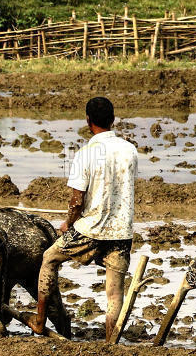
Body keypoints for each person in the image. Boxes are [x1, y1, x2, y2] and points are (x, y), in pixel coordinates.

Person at [31, 96, 139, 341]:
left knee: (48, 259)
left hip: (90, 229)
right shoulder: (129, 150)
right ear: (113, 120)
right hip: (121, 232)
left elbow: (77, 201)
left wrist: (68, 223)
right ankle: (111, 340)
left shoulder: (84, 154)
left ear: (88, 121)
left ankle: (39, 321)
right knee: (114, 293)